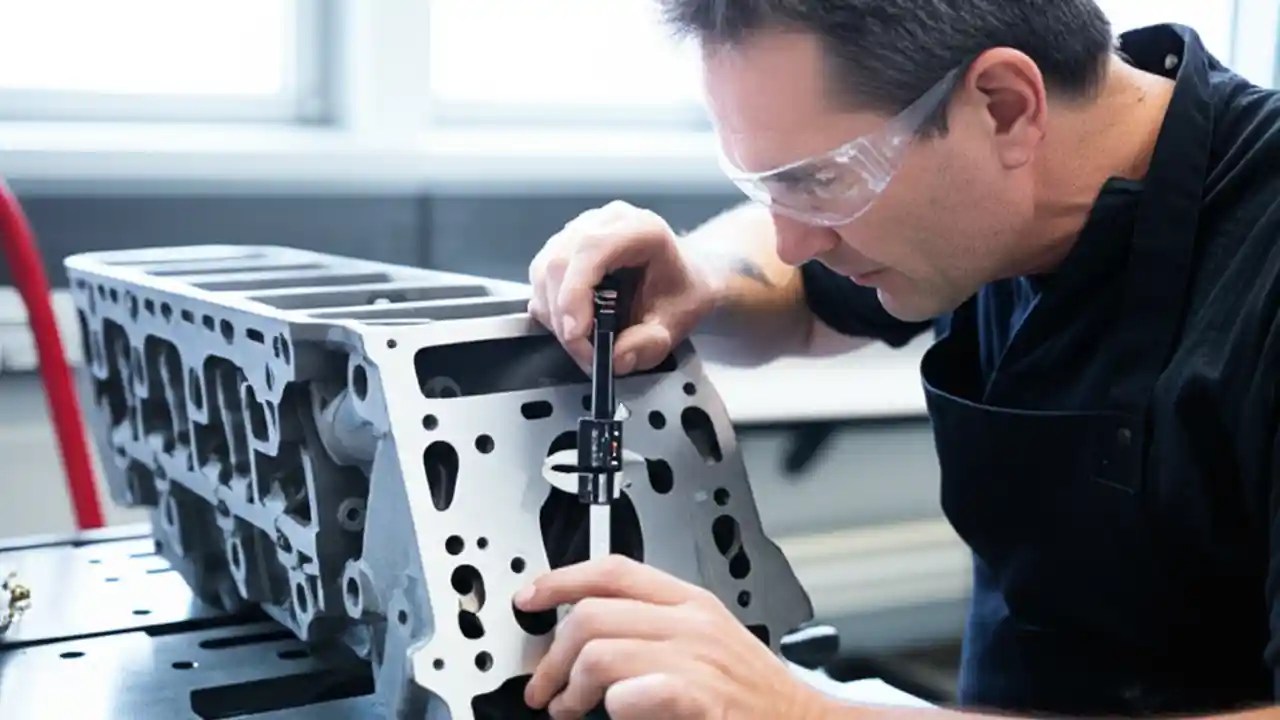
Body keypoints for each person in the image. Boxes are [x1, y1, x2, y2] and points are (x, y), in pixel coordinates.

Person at [512, 1, 1280, 718]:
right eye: (768, 186)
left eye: (821, 181)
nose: (793, 240)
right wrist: (700, 274)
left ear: (1006, 106)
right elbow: (793, 284)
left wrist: (804, 711)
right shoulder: (1004, 200)